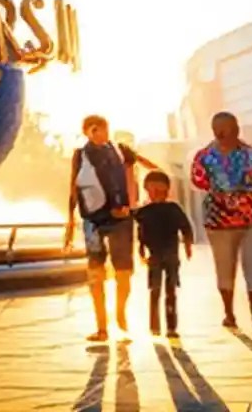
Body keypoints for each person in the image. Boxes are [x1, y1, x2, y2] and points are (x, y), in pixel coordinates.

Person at [190, 111, 252, 342]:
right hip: (219, 221)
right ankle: (229, 313)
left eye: (229, 128)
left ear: (237, 129)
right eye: (220, 129)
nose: (224, 133)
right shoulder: (204, 156)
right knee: (225, 269)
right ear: (214, 131)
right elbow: (198, 180)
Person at [65, 114, 161, 342]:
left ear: (108, 129)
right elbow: (73, 185)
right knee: (95, 273)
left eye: (101, 129)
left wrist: (155, 186)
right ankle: (101, 327)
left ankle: (120, 312)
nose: (98, 133)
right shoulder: (80, 155)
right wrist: (70, 219)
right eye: (92, 129)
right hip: (92, 221)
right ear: (86, 132)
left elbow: (147, 164)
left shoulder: (120, 150)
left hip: (121, 219)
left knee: (124, 272)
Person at [134, 170, 194, 338]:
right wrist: (140, 249)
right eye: (152, 190)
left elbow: (186, 227)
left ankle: (171, 327)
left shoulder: (173, 208)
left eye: (160, 190)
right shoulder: (144, 211)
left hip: (171, 256)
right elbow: (140, 232)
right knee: (155, 290)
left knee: (171, 291)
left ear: (167, 190)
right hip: (154, 256)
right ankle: (154, 326)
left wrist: (188, 244)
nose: (156, 194)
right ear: (146, 191)